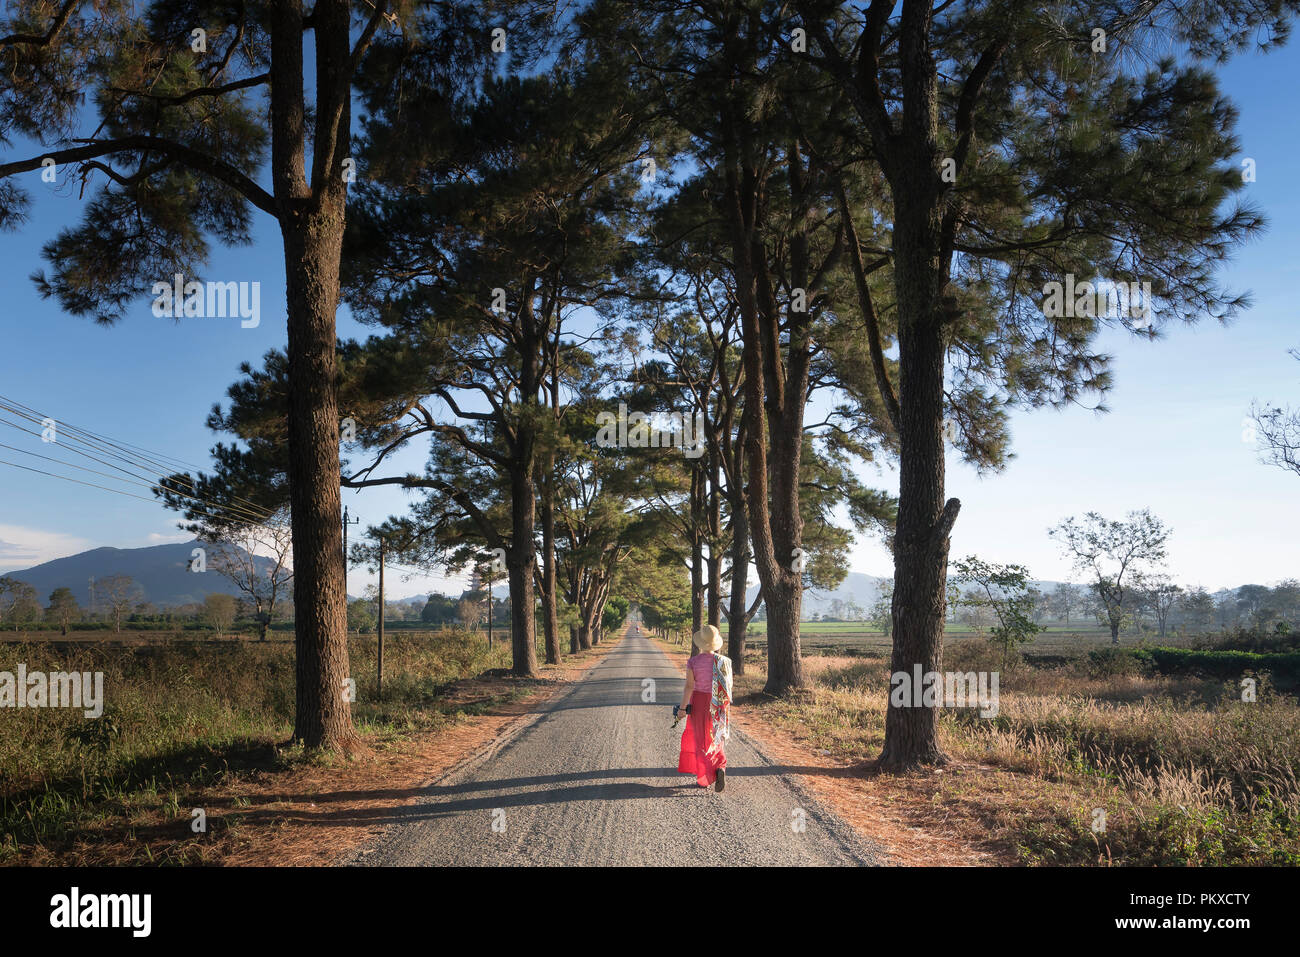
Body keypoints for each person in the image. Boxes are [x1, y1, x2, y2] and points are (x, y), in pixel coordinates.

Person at [675, 624, 733, 792]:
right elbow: (728, 686)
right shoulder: (724, 662)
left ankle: (705, 778)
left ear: (700, 643)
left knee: (701, 739)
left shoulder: (693, 662)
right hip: (720, 702)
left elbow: (689, 687)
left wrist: (682, 709)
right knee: (716, 736)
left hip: (700, 701)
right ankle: (720, 767)